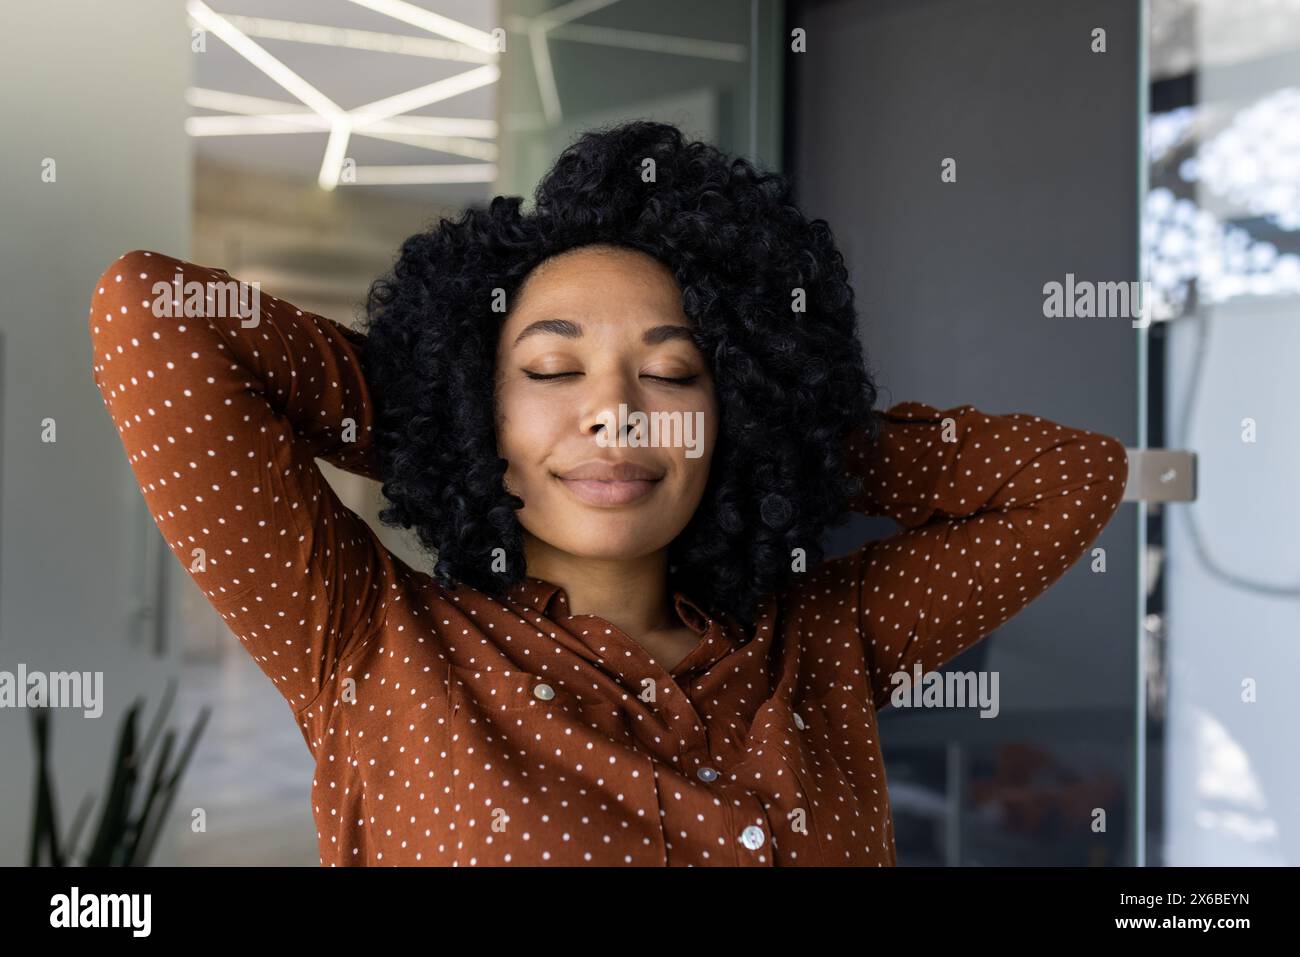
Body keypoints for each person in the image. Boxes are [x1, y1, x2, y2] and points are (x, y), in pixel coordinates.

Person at [86, 120, 1128, 866]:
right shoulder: (371, 646)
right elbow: (150, 315)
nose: (617, 413)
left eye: (672, 374)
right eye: (550, 369)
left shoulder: (821, 648)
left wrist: (772, 437)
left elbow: (1069, 478)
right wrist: (463, 425)